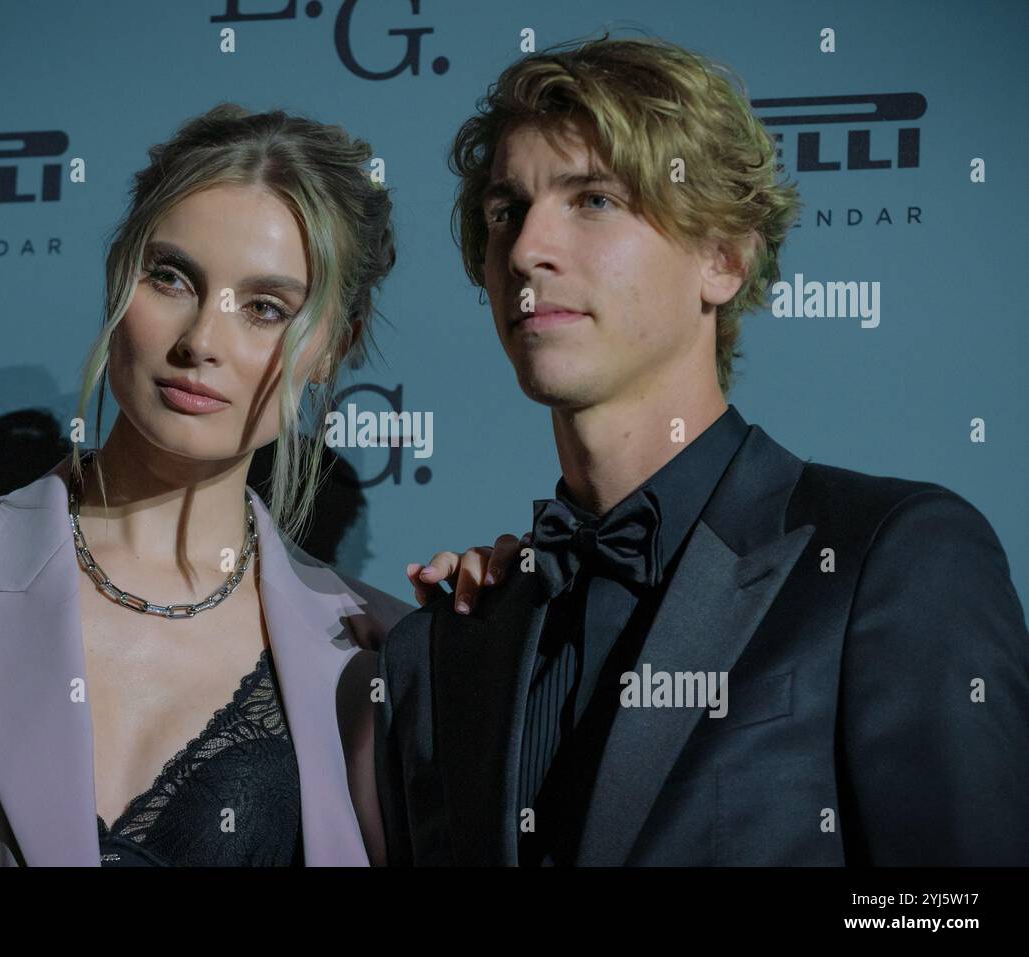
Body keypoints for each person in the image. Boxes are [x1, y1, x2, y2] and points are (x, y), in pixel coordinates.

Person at [378, 34, 1029, 866]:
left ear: (722, 258)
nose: (527, 248)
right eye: (508, 209)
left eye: (594, 200)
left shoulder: (890, 560)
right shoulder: (448, 641)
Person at [0, 103, 414, 867]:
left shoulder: (380, 656)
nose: (201, 340)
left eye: (266, 309)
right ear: (118, 279)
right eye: (171, 278)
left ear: (336, 345)